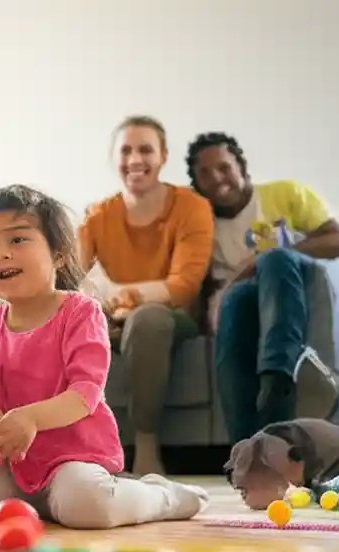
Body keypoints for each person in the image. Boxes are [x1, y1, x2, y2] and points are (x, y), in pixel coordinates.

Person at [0, 184, 208, 529]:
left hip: (74, 460)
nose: (1, 253)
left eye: (17, 240)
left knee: (88, 506)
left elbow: (84, 394)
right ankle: (48, 504)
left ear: (59, 253)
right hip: (15, 468)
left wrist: (29, 419)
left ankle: (162, 496)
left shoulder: (80, 312)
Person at [187, 132, 339, 443]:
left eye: (224, 167)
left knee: (275, 258)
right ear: (196, 184)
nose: (217, 179)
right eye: (205, 174)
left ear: (242, 166)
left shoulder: (286, 194)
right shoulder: (199, 222)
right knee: (236, 299)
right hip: (244, 300)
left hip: (290, 284)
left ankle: (279, 381)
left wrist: (259, 260)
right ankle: (248, 449)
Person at [77, 116, 214, 476]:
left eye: (145, 150)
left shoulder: (191, 207)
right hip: (113, 321)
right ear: (114, 158)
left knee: (147, 317)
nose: (135, 159)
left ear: (163, 156)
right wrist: (97, 303)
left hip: (169, 318)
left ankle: (146, 441)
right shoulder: (97, 215)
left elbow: (182, 286)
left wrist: (122, 295)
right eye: (126, 150)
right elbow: (72, 278)